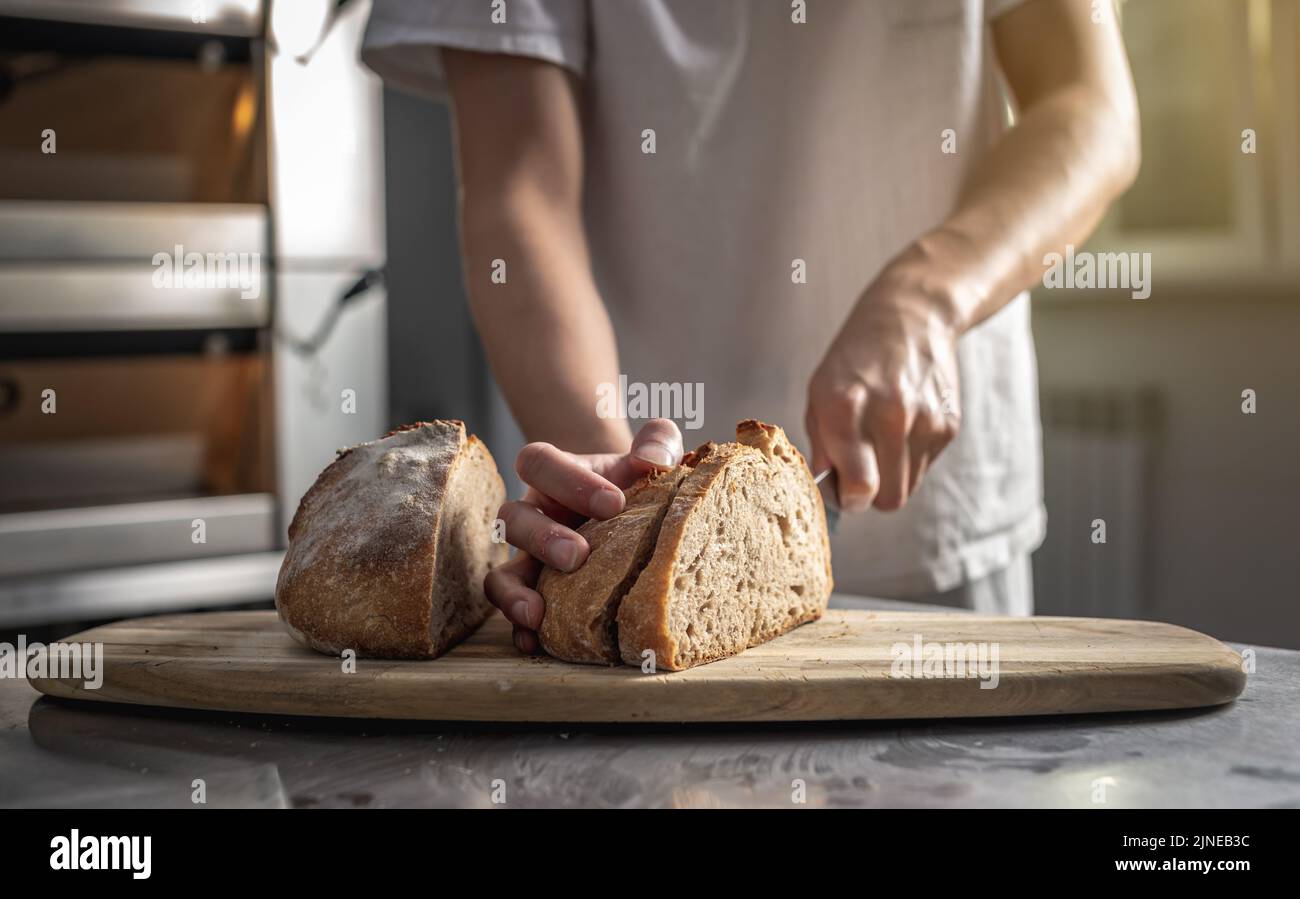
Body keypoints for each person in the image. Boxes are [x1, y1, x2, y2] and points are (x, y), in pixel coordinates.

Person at [362, 0, 1140, 652]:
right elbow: (520, 191)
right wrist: (610, 508)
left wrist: (924, 297)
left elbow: (1088, 106)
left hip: (936, 515)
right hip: (631, 502)